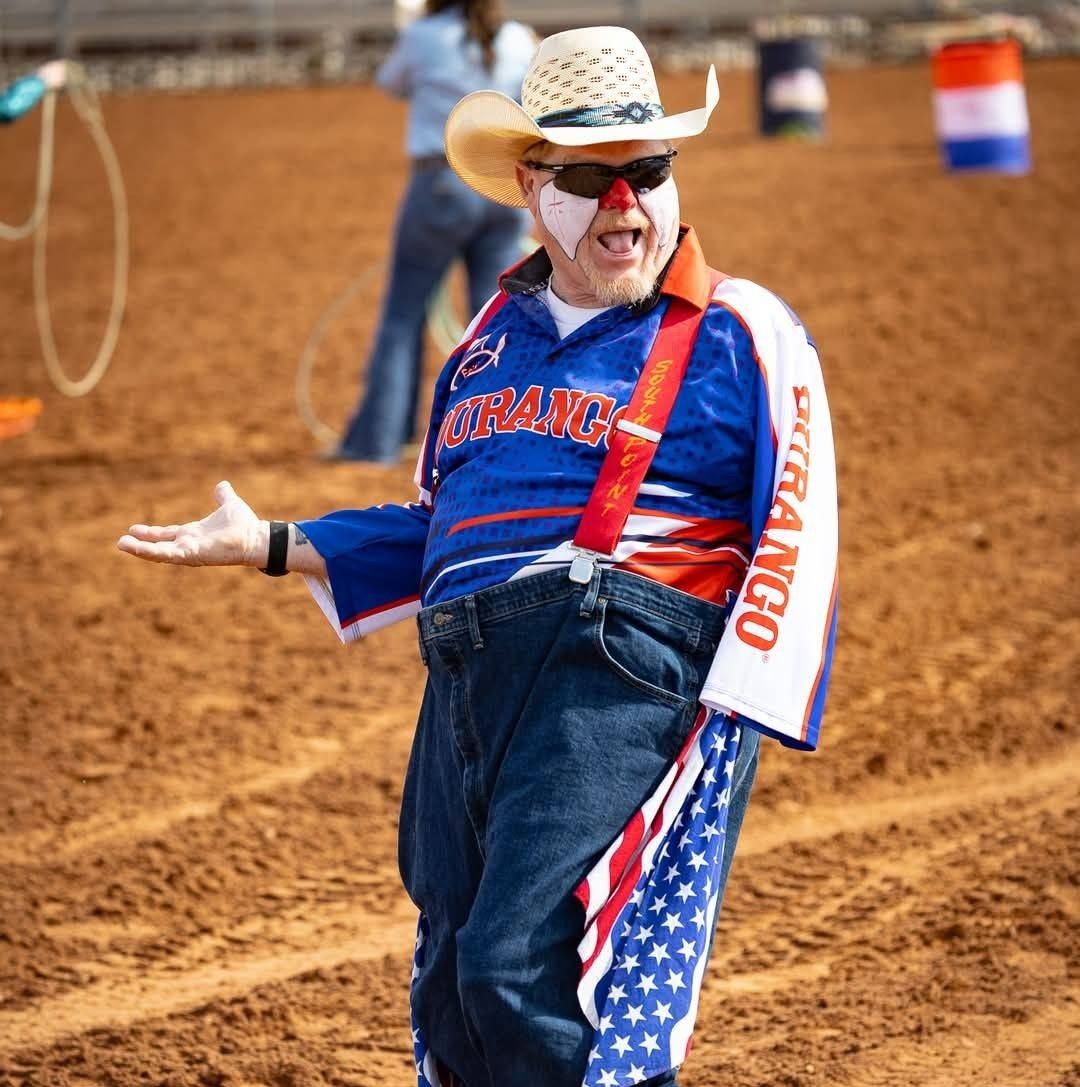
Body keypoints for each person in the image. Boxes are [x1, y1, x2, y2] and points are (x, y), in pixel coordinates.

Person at [118, 26, 838, 1087]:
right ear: (531, 188)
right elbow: (438, 529)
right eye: (589, 179)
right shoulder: (483, 344)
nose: (626, 203)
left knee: (525, 968)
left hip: (620, 666)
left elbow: (801, 518)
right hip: (465, 668)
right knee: (454, 976)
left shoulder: (742, 329)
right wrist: (277, 543)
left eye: (648, 171)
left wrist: (743, 700)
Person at [331, 0, 535, 463]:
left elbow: (389, 82)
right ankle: (498, 437)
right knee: (496, 320)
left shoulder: (423, 36)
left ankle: (378, 441)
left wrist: (413, 28)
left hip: (441, 184)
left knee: (403, 315)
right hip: (502, 186)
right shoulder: (519, 39)